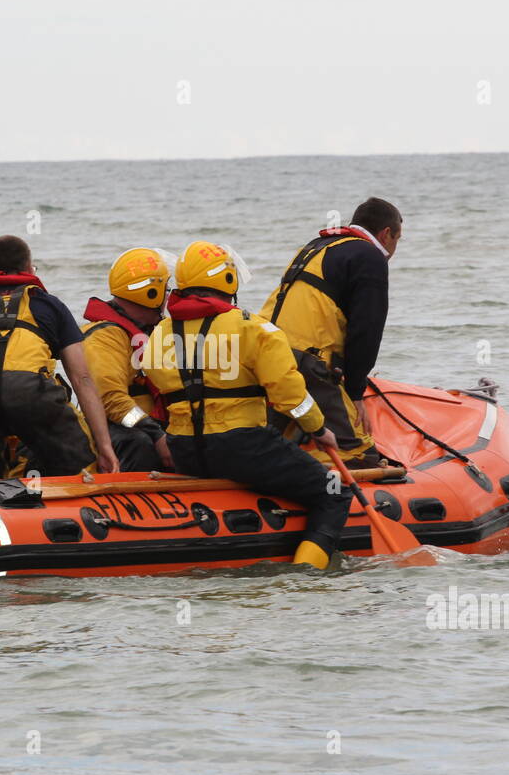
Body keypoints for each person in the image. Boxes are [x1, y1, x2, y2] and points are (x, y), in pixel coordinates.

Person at [141, 240, 353, 569]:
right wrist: (318, 429)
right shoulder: (253, 328)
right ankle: (308, 573)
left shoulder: (158, 335)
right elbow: (289, 395)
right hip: (241, 448)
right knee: (334, 492)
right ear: (227, 280)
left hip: (184, 450)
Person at [0, 235, 119, 479]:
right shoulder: (49, 305)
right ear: (29, 268)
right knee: (79, 465)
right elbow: (81, 378)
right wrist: (105, 447)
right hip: (30, 395)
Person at [260, 196, 403, 467]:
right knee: (358, 454)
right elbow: (366, 330)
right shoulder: (370, 256)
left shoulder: (316, 246)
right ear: (386, 235)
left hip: (266, 352)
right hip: (307, 363)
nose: (395, 248)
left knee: (267, 438)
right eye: (397, 240)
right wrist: (356, 391)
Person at [81, 248, 173, 472]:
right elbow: (110, 399)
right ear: (150, 293)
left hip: (150, 423)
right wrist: (155, 433)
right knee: (138, 443)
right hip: (119, 428)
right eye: (165, 290)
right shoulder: (105, 336)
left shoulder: (151, 333)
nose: (168, 297)